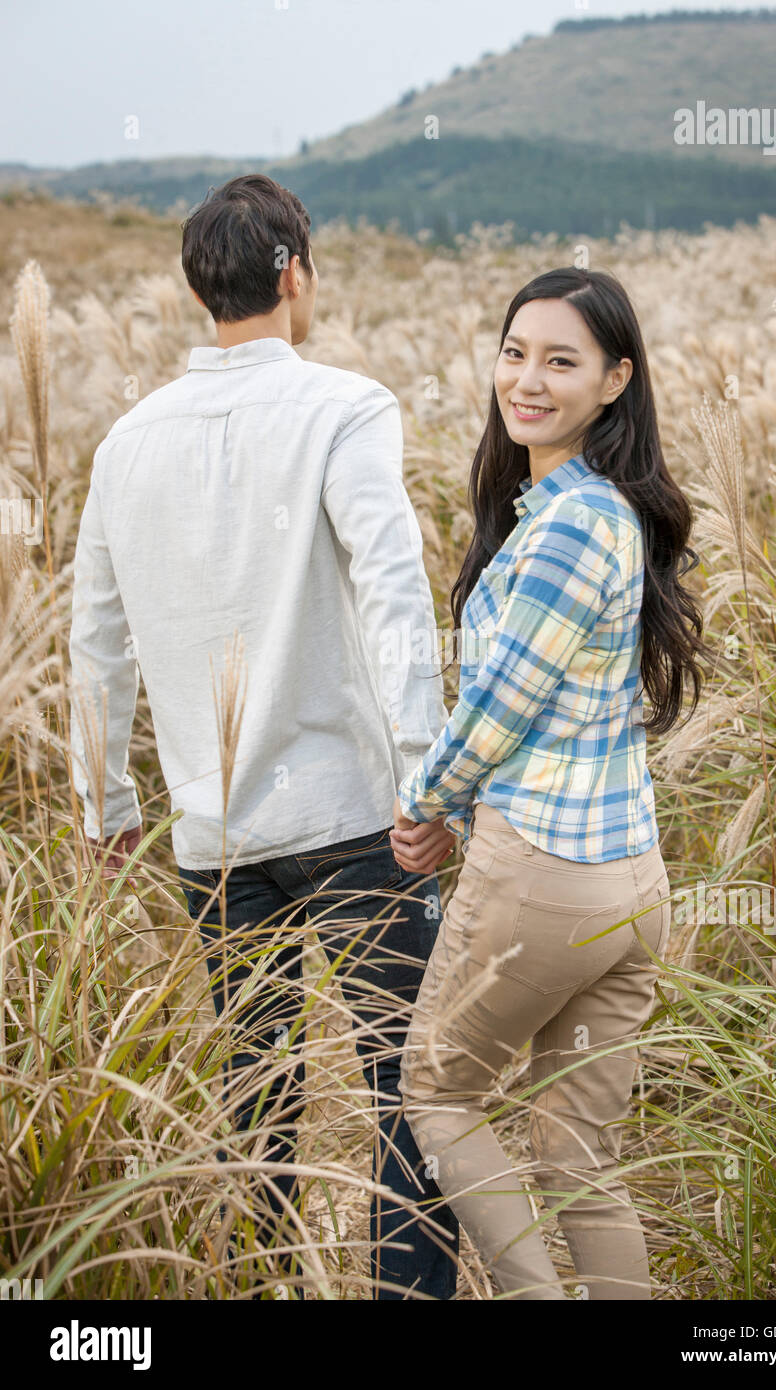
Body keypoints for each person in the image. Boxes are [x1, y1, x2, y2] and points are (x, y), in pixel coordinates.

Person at [67, 173, 459, 1299]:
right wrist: (426, 780)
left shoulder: (123, 443)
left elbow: (96, 643)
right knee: (403, 1087)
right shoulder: (347, 407)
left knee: (258, 1092)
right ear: (293, 271)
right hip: (356, 823)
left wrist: (106, 811)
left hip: (213, 835)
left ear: (202, 287)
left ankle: (264, 1286)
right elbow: (394, 596)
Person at [390, 266, 704, 1300]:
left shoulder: (571, 523)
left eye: (560, 361)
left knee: (438, 1093)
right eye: (514, 352)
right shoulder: (597, 510)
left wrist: (423, 802)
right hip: (628, 885)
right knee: (577, 1157)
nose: (526, 379)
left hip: (540, 874)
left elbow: (501, 703)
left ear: (614, 380)